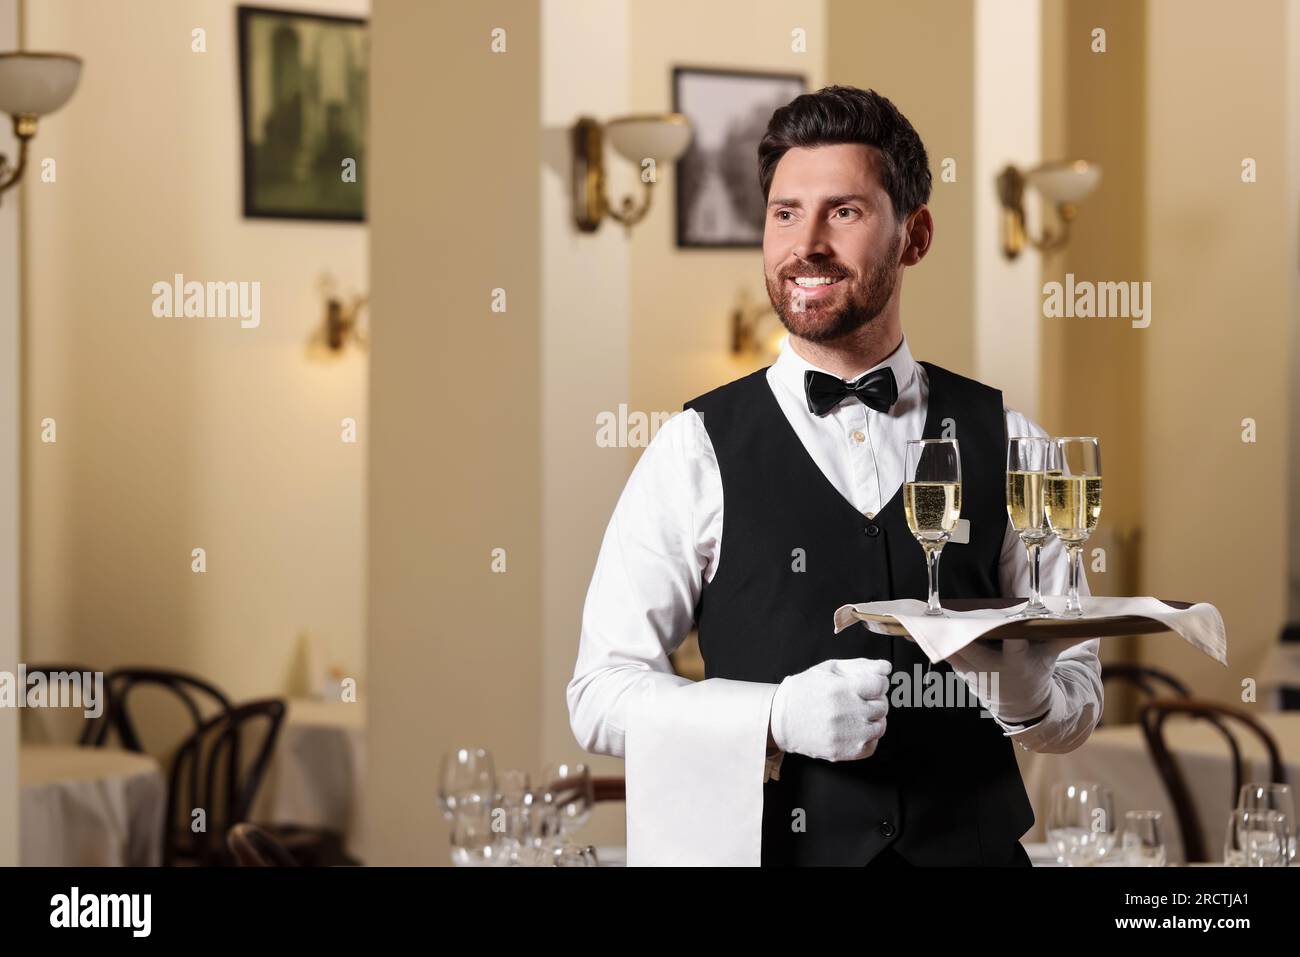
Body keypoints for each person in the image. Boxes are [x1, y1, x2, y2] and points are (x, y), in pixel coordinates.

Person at [568, 86, 1102, 866]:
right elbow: (600, 692)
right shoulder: (695, 449)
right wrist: (773, 714)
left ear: (914, 236)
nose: (806, 243)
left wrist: (1029, 698)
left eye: (843, 212)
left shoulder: (1019, 446)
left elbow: (1080, 701)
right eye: (785, 213)